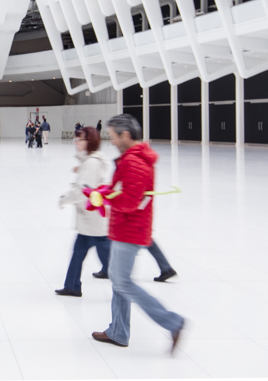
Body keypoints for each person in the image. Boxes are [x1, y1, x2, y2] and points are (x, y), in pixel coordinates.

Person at [92, 114, 184, 353]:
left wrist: (107, 199)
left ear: (125, 135)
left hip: (129, 230)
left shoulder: (134, 162)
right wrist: (106, 192)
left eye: (113, 136)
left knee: (122, 281)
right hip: (126, 228)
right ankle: (118, 331)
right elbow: (124, 191)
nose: (111, 141)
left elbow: (131, 201)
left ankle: (172, 322)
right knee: (118, 280)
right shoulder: (132, 159)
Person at [56, 126, 111, 296]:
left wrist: (64, 199)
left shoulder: (92, 163)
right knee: (78, 252)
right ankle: (72, 286)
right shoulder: (90, 161)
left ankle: (127, 290)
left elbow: (82, 190)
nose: (76, 142)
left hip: (94, 221)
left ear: (89, 141)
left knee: (109, 262)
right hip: (89, 220)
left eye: (79, 139)